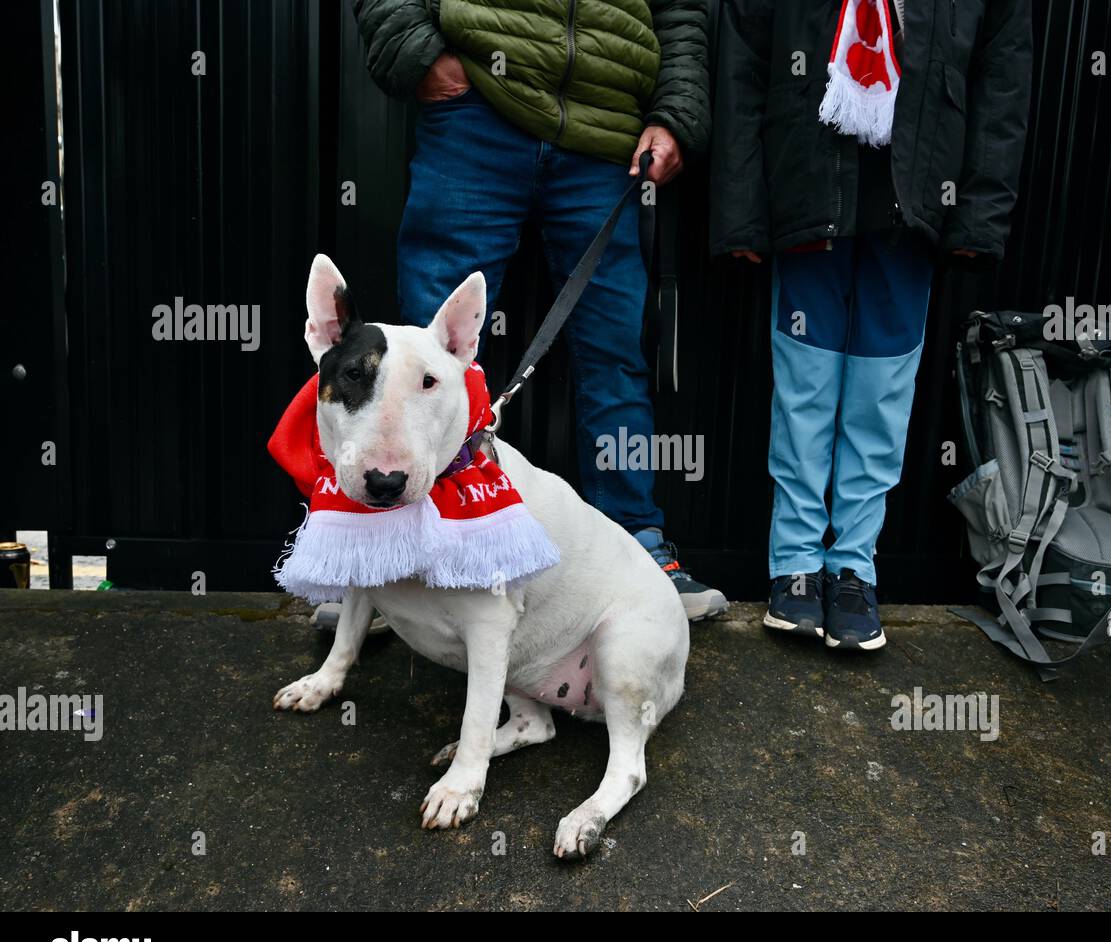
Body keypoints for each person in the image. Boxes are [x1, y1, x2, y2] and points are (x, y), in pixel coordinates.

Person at [339, 0, 727, 625]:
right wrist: (423, 56)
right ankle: (396, 565)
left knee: (614, 354)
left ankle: (636, 550)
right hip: (478, 109)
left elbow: (680, 8)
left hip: (608, 133)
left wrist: (674, 114)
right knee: (427, 360)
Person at [709, 0, 1032, 650]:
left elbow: (1004, 81)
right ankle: (795, 565)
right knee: (805, 387)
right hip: (807, 181)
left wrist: (977, 215)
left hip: (916, 189)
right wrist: (741, 210)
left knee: (880, 397)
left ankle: (854, 567)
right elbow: (742, 60)